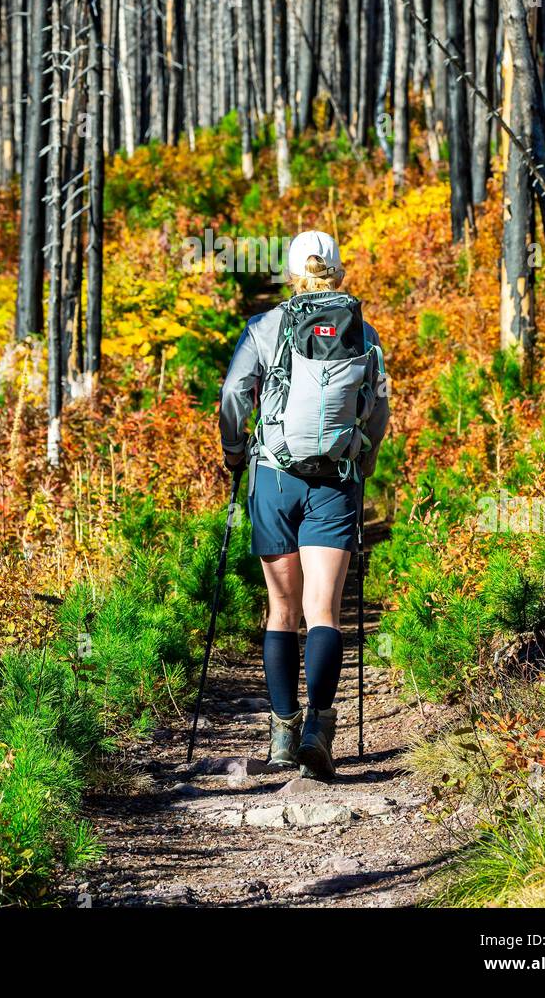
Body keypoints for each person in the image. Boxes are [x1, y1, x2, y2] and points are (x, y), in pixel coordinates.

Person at [218, 229, 389, 780]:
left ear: (292, 270)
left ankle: (283, 734)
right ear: (338, 269)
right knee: (324, 612)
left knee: (281, 612)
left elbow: (233, 396)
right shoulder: (363, 332)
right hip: (334, 483)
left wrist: (234, 450)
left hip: (275, 478)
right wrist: (363, 460)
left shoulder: (265, 328)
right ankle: (321, 726)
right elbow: (379, 407)